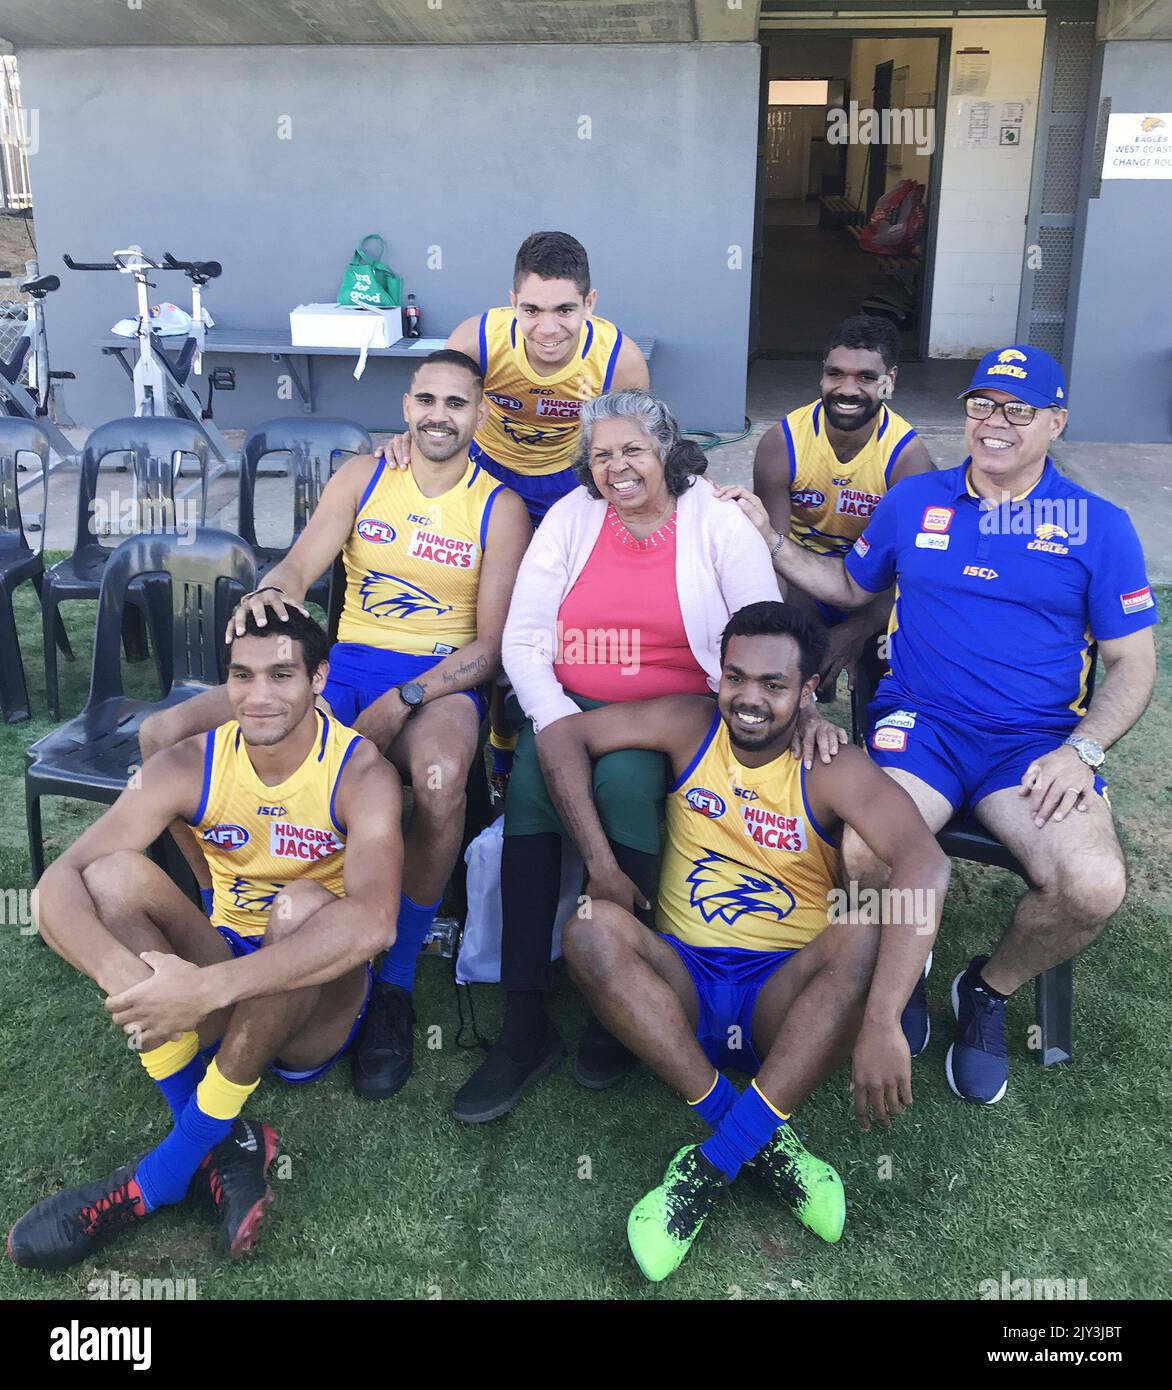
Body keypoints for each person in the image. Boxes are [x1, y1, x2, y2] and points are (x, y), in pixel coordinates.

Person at [719, 346, 1158, 1104]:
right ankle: (903, 966)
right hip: (921, 726)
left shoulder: (1099, 526)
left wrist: (1082, 750)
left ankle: (986, 990)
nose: (995, 423)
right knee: (865, 848)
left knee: (1091, 885)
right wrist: (773, 538)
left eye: (1018, 410)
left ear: (1055, 422)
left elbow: (1133, 663)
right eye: (982, 405)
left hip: (1034, 746)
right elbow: (849, 585)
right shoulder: (914, 501)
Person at [139, 351, 531, 1102]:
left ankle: (395, 979)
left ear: (480, 416)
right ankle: (221, 905)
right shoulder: (364, 476)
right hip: (340, 665)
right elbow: (297, 566)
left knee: (442, 778)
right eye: (426, 400)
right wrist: (269, 594)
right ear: (406, 405)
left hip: (438, 678)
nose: (439, 416)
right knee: (162, 738)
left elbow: (490, 648)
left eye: (456, 403)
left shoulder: (499, 506)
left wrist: (407, 698)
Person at [451, 390, 846, 1126]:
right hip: (569, 703)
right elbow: (525, 636)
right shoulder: (572, 516)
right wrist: (555, 715)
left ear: (666, 448)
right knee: (533, 782)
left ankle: (616, 1005)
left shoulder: (716, 520)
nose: (616, 467)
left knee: (627, 787)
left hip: (674, 713)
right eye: (601, 454)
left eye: (632, 449)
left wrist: (806, 706)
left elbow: (763, 632)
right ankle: (524, 1023)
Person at [535, 602, 949, 1281]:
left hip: (782, 1002)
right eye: (736, 677)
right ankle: (757, 1136)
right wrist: (601, 866)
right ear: (719, 675)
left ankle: (710, 1165)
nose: (750, 698)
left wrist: (883, 1019)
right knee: (588, 928)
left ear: (807, 691)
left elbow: (924, 863)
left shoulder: (831, 765)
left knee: (861, 931)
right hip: (681, 986)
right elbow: (560, 738)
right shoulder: (688, 723)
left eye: (773, 684)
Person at [8, 609, 402, 1269]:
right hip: (222, 965)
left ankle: (158, 1179)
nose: (259, 695)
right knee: (110, 877)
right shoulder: (188, 763)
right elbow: (57, 884)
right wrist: (133, 985)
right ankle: (228, 1137)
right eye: (242, 676)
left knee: (299, 905)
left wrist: (206, 989)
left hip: (313, 1005)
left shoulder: (361, 772)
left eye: (282, 675)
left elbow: (374, 921)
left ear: (318, 680)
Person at [373, 231, 650, 792]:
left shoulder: (620, 361)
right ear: (512, 302)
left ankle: (563, 726)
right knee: (486, 614)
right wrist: (409, 439)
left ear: (590, 303)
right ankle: (498, 741)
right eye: (532, 310)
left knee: (556, 614)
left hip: (567, 481)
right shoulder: (476, 338)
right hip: (486, 470)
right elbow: (435, 405)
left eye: (565, 310)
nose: (547, 328)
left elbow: (634, 445)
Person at [752, 315, 932, 699]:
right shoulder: (782, 443)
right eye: (836, 374)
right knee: (782, 656)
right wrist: (796, 630)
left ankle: (877, 718)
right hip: (802, 579)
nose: (847, 389)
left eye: (866, 377)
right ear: (822, 375)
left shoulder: (907, 459)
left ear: (889, 381)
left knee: (891, 668)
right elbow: (773, 554)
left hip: (875, 586)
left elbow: (910, 571)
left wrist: (857, 629)